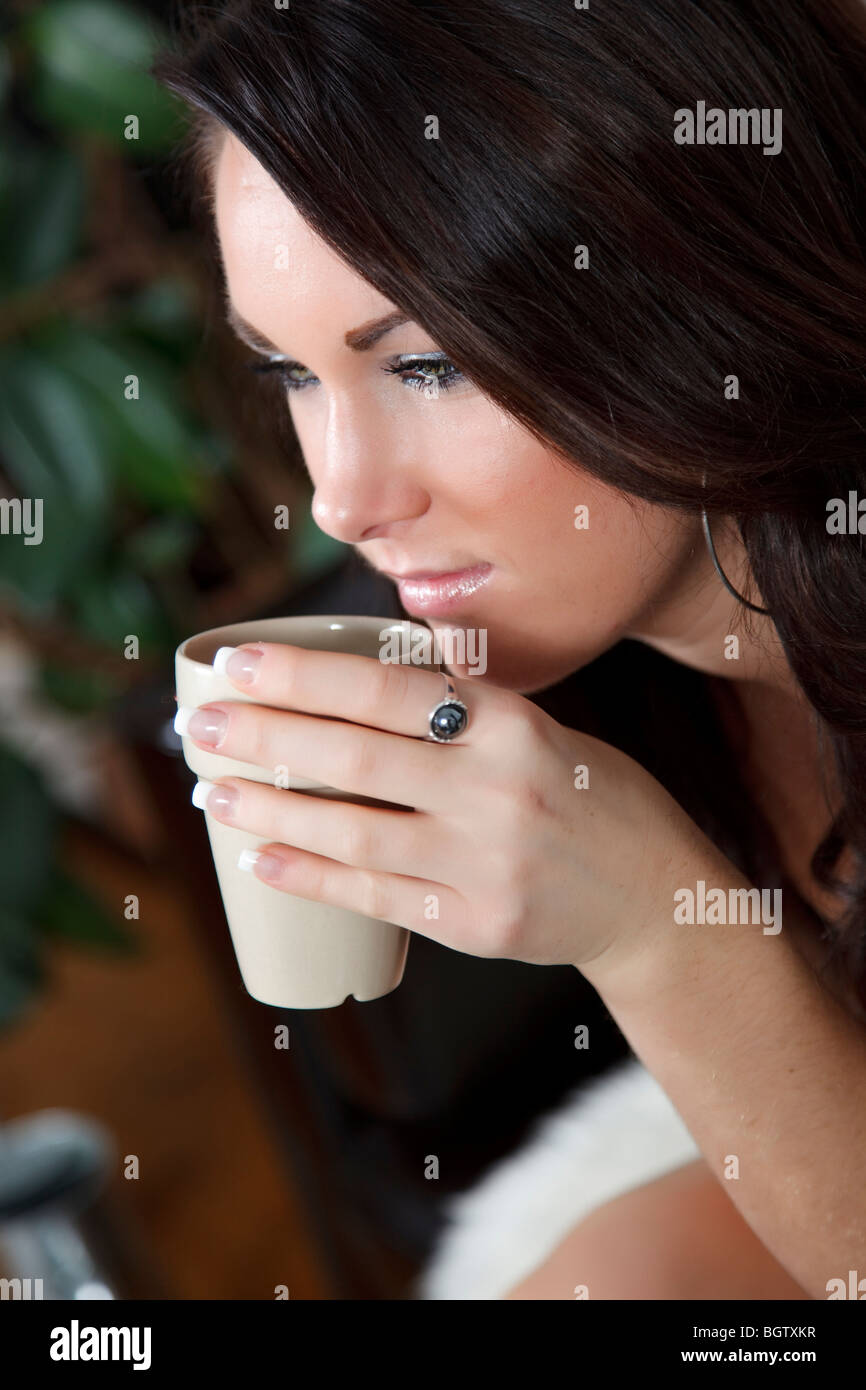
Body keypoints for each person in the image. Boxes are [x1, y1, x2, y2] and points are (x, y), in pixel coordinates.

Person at [154, 0, 866, 1299]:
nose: (342, 500)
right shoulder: (611, 673)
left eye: (425, 366)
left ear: (691, 288)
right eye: (289, 374)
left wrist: (655, 927)